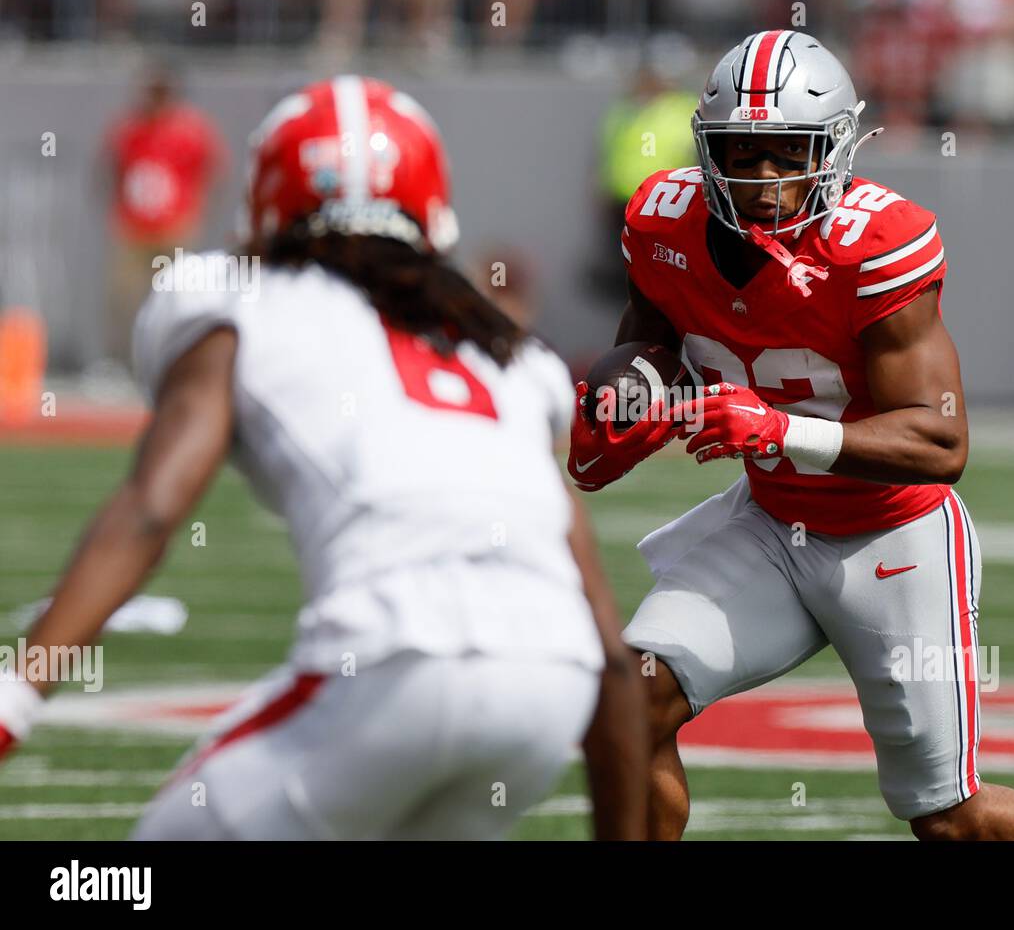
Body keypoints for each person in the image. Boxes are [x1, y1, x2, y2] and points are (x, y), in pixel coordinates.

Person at [0, 76, 647, 840]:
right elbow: (609, 647)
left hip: (387, 666)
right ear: (431, 213)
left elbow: (149, 510)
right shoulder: (505, 357)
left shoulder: (234, 301)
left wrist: (15, 697)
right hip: (548, 687)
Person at [568, 31, 1014, 840]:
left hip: (890, 537)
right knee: (628, 703)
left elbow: (942, 446)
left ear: (834, 146)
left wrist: (774, 427)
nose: (763, 180)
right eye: (741, 152)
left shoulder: (877, 243)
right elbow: (649, 347)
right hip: (771, 524)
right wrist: (624, 404)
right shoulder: (665, 222)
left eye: (787, 153)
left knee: (950, 819)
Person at [102, 69, 228, 365]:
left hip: (174, 228)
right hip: (134, 229)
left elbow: (212, 170)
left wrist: (194, 211)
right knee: (126, 298)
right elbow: (111, 168)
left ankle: (173, 360)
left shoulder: (191, 130)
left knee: (176, 297)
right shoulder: (129, 130)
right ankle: (122, 363)